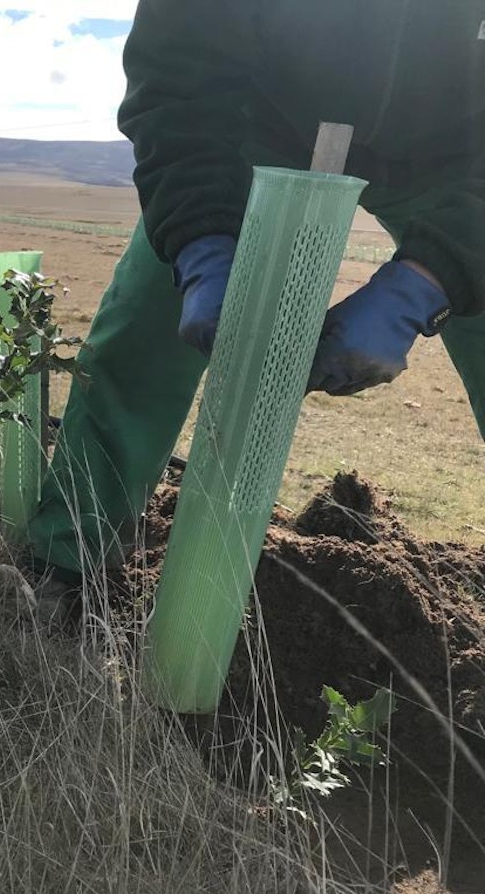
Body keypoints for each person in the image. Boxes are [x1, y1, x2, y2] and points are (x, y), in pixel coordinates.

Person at [25, 0, 485, 583]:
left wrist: (427, 282)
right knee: (146, 324)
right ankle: (70, 559)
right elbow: (178, 78)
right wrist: (201, 245)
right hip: (255, 123)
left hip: (462, 160)